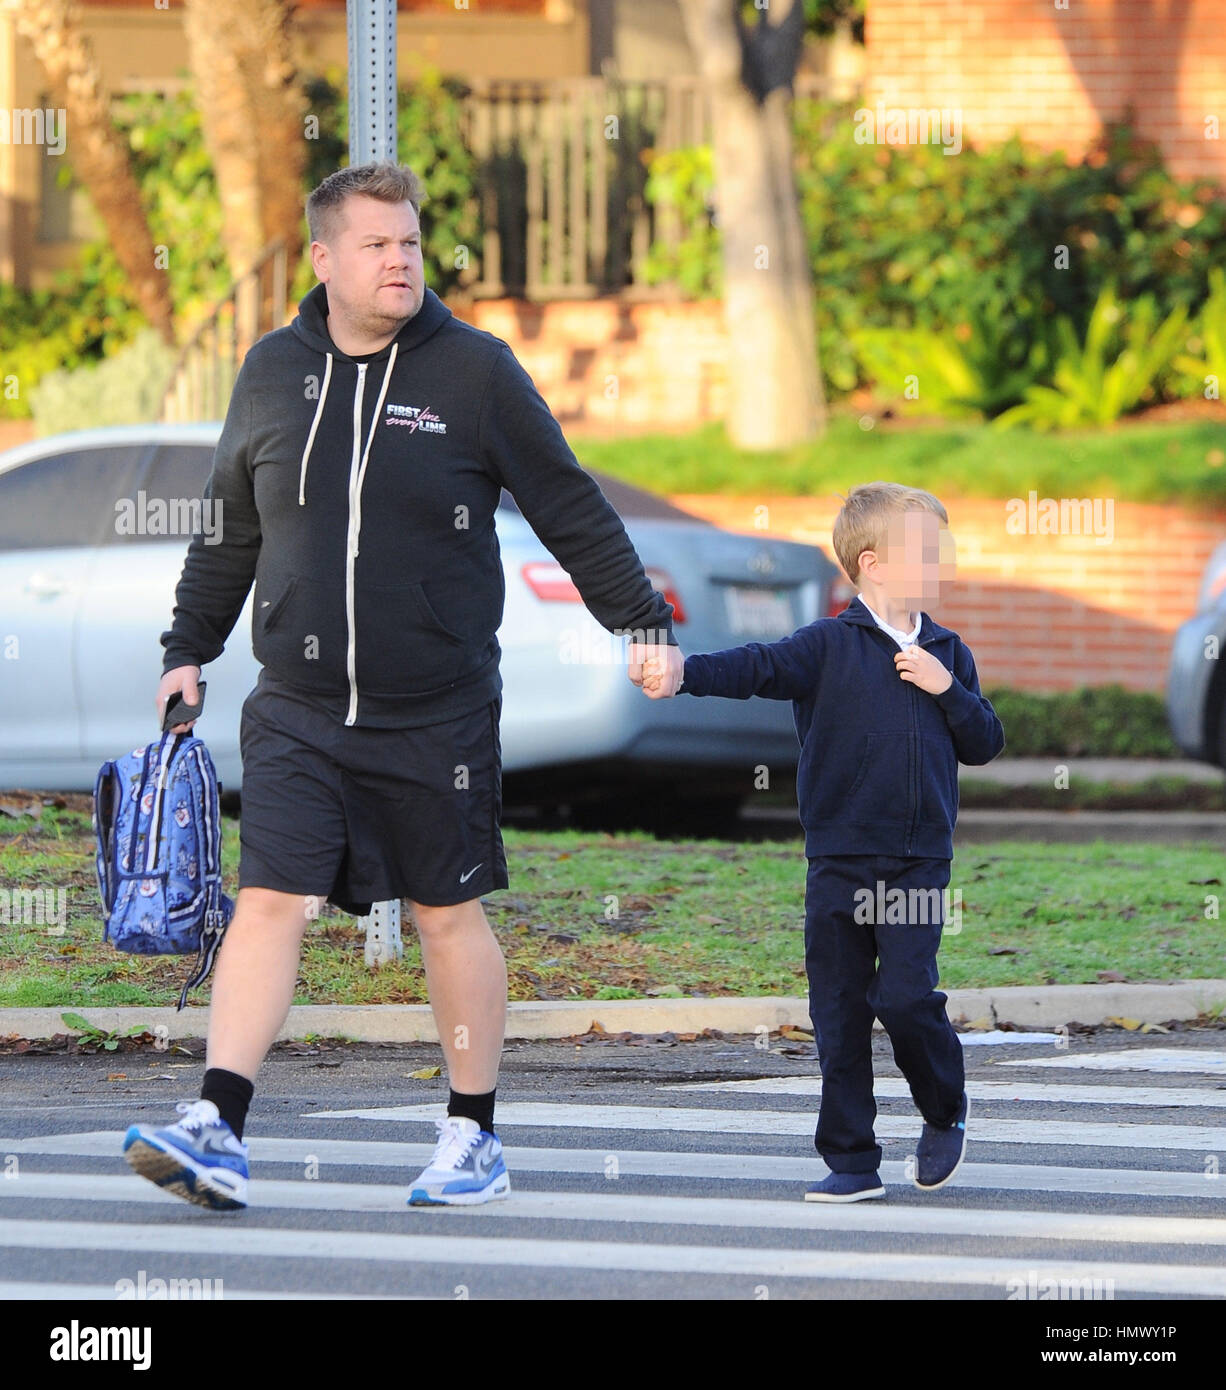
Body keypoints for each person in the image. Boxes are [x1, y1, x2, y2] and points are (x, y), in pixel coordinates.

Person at [122, 161, 684, 1212]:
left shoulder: (472, 373)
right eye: (376, 245)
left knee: (445, 914)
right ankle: (218, 1122)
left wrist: (637, 621)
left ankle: (472, 1132)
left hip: (438, 711)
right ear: (324, 259)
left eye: (410, 244)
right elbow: (228, 527)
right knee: (269, 899)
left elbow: (567, 504)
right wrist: (186, 644)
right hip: (293, 706)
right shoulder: (269, 370)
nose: (399, 261)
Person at [644, 482, 1004, 1201]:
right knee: (838, 1010)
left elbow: (985, 741)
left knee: (904, 998)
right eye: (926, 551)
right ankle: (851, 1160)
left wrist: (946, 689)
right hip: (838, 861)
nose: (943, 561)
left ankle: (944, 1110)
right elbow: (756, 666)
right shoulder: (827, 647)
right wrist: (682, 671)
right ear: (873, 563)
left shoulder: (947, 650)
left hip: (915, 867)